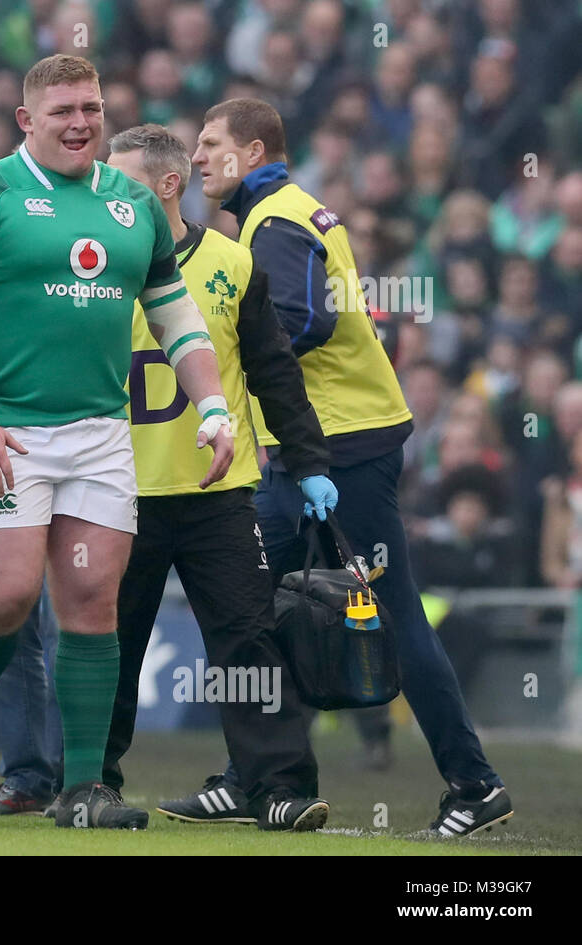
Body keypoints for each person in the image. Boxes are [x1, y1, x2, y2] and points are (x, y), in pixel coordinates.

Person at [183, 97, 512, 837]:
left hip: (339, 448)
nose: (197, 158)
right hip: (329, 441)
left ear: (253, 148)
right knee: (252, 608)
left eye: (209, 144)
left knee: (389, 612)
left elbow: (301, 319)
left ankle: (474, 780)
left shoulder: (275, 222)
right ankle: (255, 775)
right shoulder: (293, 211)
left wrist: (216, 360)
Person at [0, 55, 233, 830]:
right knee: (7, 594)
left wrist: (216, 406)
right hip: (8, 430)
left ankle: (85, 788)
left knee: (93, 601)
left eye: (90, 106)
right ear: (27, 119)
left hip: (99, 433)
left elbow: (174, 316)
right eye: (61, 109)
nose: (80, 121)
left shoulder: (131, 202)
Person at [101, 124, 333, 830]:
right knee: (107, 646)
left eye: (123, 179)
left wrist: (311, 459)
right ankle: (89, 781)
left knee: (246, 640)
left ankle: (279, 788)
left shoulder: (233, 262)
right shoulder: (93, 263)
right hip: (118, 490)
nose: (107, 191)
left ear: (168, 185)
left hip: (218, 492)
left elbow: (273, 371)